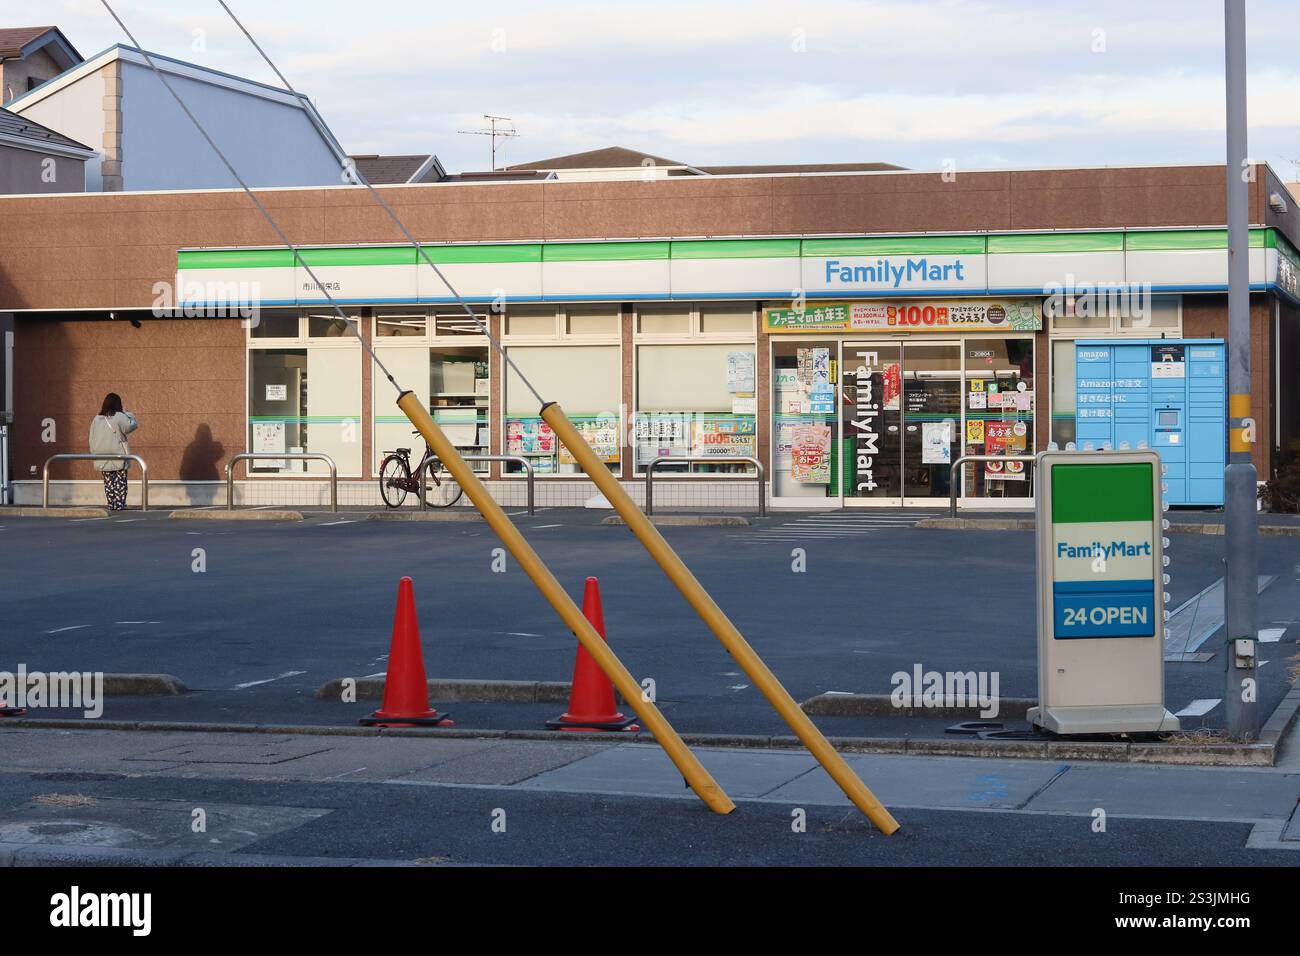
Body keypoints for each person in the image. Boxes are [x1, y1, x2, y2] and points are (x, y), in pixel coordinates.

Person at [88, 393, 139, 510]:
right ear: (118, 404)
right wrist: (128, 414)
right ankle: (119, 504)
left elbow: (92, 437)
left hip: (101, 454)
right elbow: (132, 426)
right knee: (120, 480)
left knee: (108, 481)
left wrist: (93, 452)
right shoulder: (119, 416)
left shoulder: (96, 419)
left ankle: (111, 503)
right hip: (118, 452)